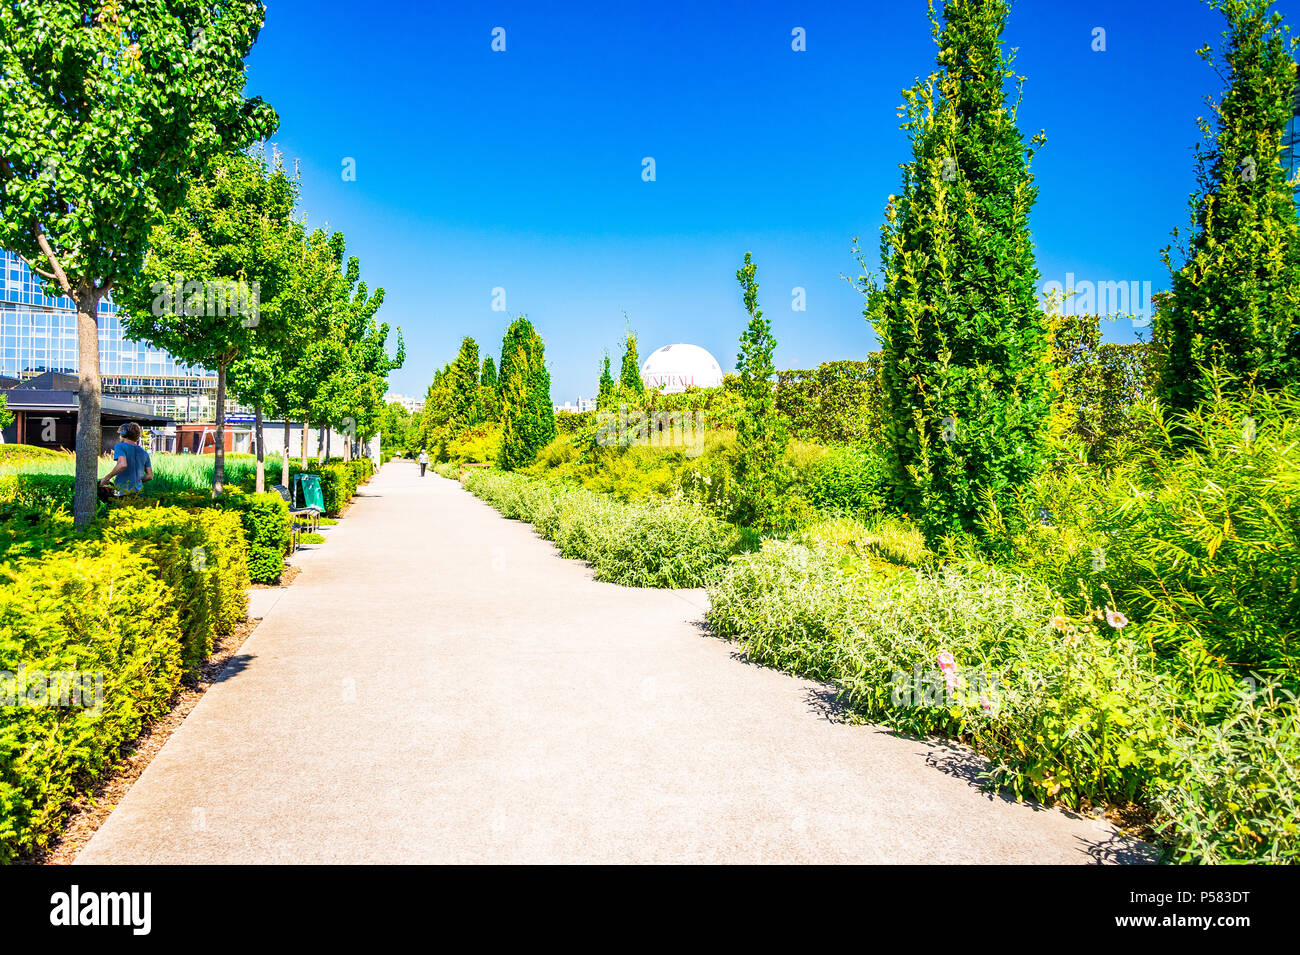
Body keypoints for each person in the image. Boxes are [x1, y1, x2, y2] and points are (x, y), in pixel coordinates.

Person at [100, 422, 153, 494]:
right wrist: (136, 480)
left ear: (123, 434)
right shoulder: (144, 452)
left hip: (122, 492)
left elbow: (122, 464)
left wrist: (107, 478)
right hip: (138, 493)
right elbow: (149, 476)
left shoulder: (120, 446)